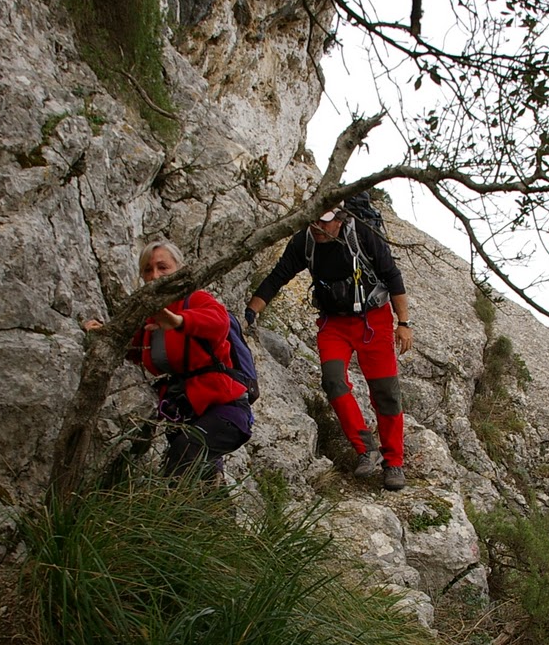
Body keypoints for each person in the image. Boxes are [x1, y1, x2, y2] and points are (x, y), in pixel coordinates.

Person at [245, 201, 413, 491]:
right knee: (333, 381)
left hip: (373, 320)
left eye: (325, 221)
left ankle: (394, 462)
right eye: (314, 221)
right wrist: (250, 311)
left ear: (340, 219)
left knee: (386, 393)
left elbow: (392, 275)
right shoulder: (304, 242)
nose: (318, 227)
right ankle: (366, 450)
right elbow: (279, 276)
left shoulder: (362, 233)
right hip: (333, 324)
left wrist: (404, 323)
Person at [84, 240, 253, 478]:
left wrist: (178, 321)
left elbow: (219, 321)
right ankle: (212, 502)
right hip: (185, 414)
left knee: (183, 458)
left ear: (179, 270)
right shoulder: (148, 318)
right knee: (200, 480)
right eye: (148, 270)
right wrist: (102, 333)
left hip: (225, 410)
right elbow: (131, 348)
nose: (155, 275)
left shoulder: (195, 300)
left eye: (163, 267)